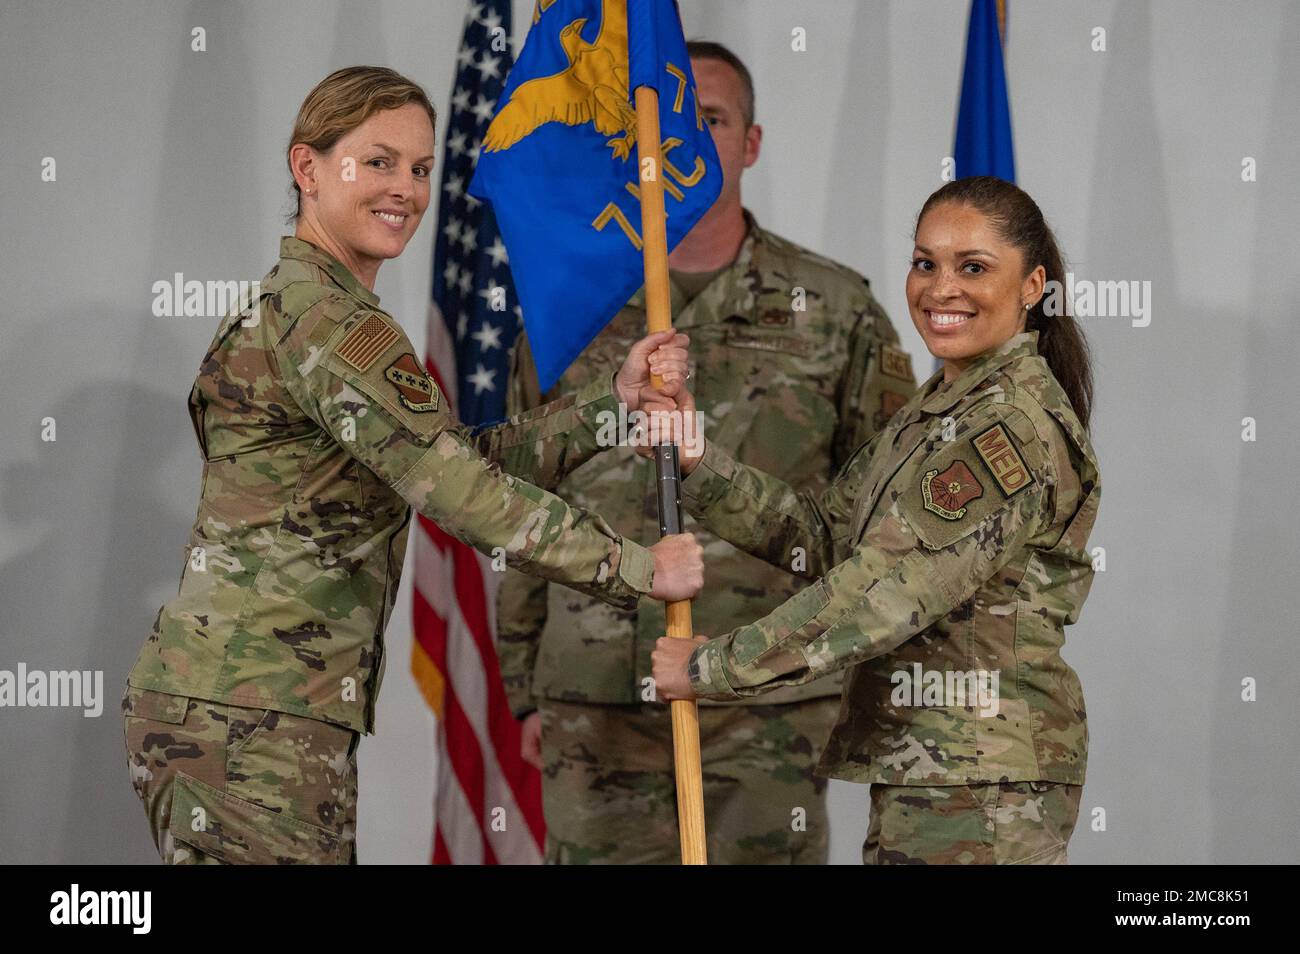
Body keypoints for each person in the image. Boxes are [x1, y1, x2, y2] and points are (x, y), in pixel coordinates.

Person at [121, 66, 701, 865]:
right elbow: (461, 493)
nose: (407, 189)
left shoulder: (316, 308)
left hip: (257, 705)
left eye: (422, 169)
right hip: (253, 713)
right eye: (379, 161)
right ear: (308, 168)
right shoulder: (327, 320)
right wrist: (638, 568)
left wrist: (612, 407)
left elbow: (446, 461)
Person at [496, 41, 915, 864]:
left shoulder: (834, 309)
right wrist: (523, 689)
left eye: (710, 118)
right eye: (668, 121)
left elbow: (878, 519)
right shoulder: (570, 312)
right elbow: (517, 501)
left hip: (771, 696)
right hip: (595, 696)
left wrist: (857, 682)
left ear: (751, 143)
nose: (684, 140)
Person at [650, 176, 1101, 864]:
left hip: (980, 787)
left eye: (973, 267)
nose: (939, 288)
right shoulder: (935, 413)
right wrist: (697, 464)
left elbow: (882, 592)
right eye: (925, 263)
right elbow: (824, 537)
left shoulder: (1006, 426)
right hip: (929, 769)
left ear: (1033, 284)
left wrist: (712, 667)